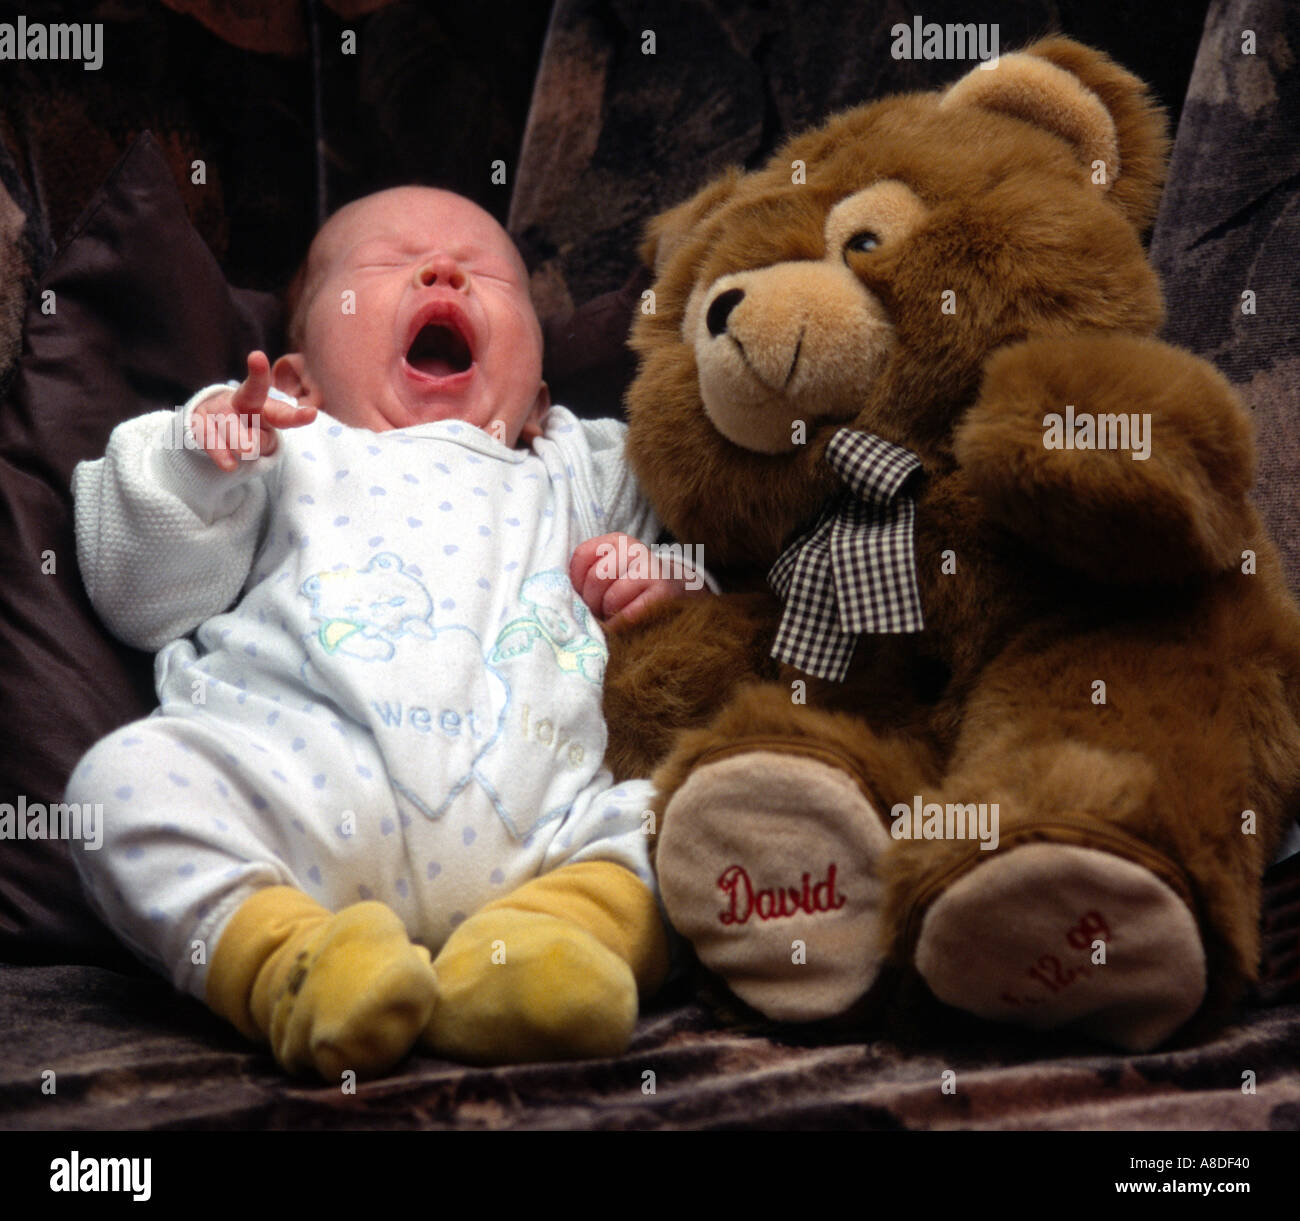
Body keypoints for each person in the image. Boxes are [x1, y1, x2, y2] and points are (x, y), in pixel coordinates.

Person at [64, 186, 700, 1080]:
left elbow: (718, 608)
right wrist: (200, 459)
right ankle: (291, 962)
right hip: (294, 808)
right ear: (297, 376)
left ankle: (555, 943)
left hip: (543, 828)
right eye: (387, 264)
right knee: (114, 786)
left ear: (540, 399)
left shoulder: (575, 464)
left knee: (696, 812)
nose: (443, 271)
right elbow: (143, 595)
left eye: (488, 273)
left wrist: (665, 583)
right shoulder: (278, 437)